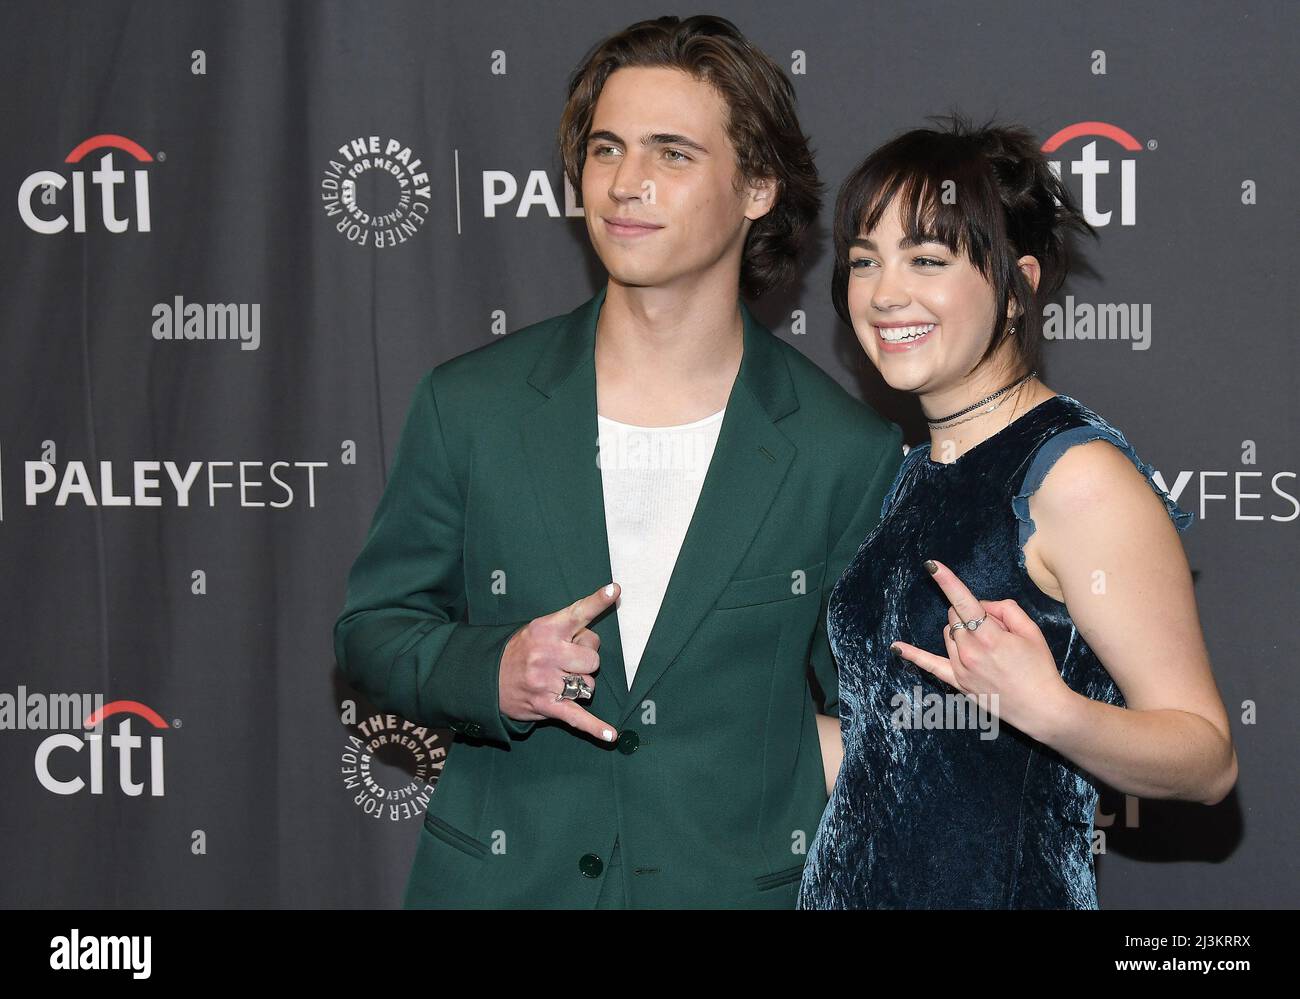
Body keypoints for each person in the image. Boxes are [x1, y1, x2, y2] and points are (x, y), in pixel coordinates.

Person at [333, 14, 903, 909]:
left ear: (757, 186)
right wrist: (493, 669)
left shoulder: (845, 451)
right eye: (606, 150)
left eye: (672, 154)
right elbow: (373, 628)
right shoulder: (470, 405)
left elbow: (879, 716)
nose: (627, 184)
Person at [798, 114, 1238, 909]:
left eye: (926, 259)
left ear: (1017, 286)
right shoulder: (910, 476)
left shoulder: (1074, 477)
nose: (884, 292)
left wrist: (1050, 710)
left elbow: (1205, 758)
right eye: (866, 261)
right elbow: (890, 750)